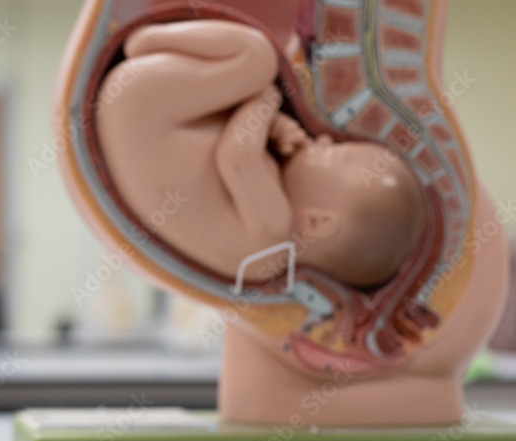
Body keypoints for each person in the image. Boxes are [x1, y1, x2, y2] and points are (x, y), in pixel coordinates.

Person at [96, 19, 426, 288]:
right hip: (140, 124)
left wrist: (268, 100)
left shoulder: (274, 234)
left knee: (258, 58)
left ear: (317, 221)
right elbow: (233, 135)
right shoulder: (264, 261)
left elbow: (236, 156)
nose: (325, 141)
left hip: (141, 108)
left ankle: (148, 39)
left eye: (336, 156)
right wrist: (271, 123)